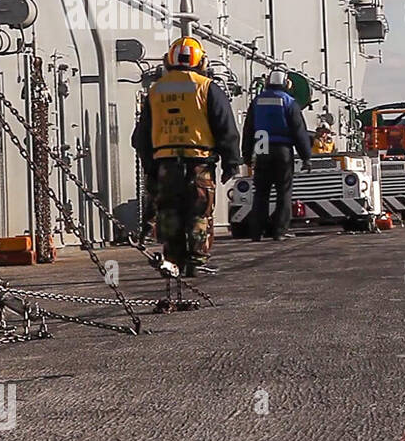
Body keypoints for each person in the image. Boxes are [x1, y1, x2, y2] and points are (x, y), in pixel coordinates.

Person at [131, 36, 242, 276]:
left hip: (165, 164)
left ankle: (173, 262)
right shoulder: (207, 87)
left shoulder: (155, 91)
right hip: (198, 163)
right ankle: (197, 261)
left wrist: (150, 166)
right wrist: (231, 162)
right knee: (198, 213)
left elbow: (140, 137)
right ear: (201, 61)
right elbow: (225, 127)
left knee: (169, 213)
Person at [242, 70, 312, 241]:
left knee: (261, 193)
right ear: (286, 84)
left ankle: (256, 232)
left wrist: (246, 156)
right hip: (282, 149)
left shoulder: (256, 101)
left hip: (261, 146)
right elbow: (298, 131)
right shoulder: (289, 102)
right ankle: (279, 231)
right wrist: (306, 157)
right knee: (284, 192)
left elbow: (248, 129)